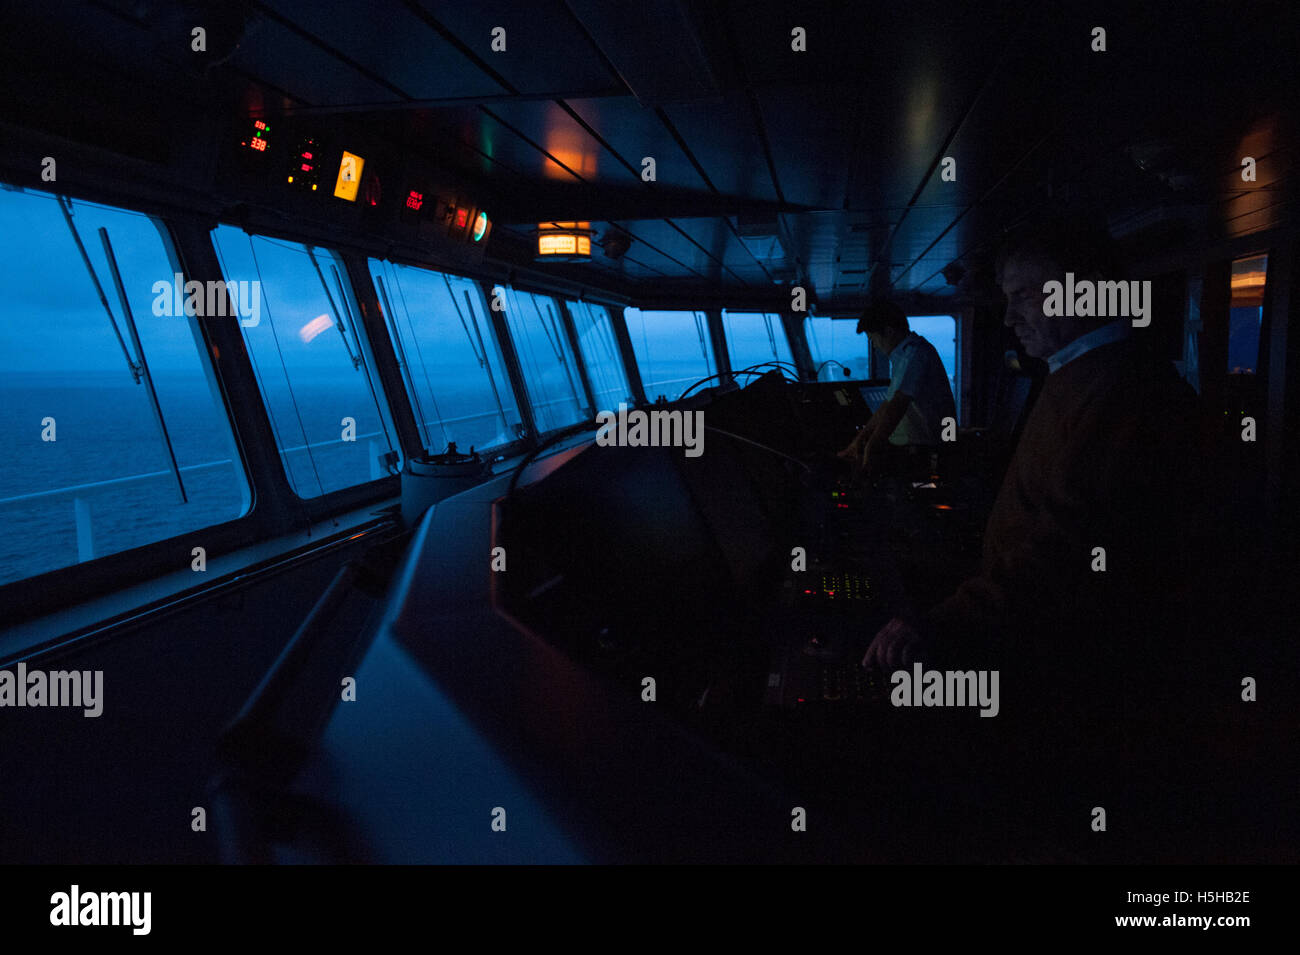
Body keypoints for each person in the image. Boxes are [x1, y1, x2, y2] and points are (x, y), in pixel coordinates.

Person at [836, 301, 956, 477]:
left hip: (928, 451)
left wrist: (872, 447)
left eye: (873, 339)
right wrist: (859, 442)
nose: (874, 346)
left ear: (889, 332)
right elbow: (887, 405)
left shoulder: (914, 354)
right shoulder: (905, 355)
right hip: (923, 448)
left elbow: (898, 404)